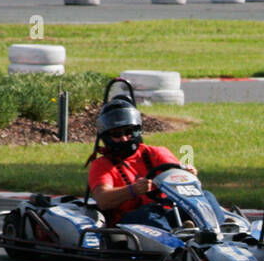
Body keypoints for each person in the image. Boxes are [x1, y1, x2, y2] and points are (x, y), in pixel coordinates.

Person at [86, 98, 212, 229]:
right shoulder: (101, 165)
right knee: (149, 211)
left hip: (170, 212)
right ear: (107, 137)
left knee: (206, 197)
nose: (124, 138)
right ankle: (179, 234)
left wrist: (188, 174)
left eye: (128, 132)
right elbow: (103, 200)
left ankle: (218, 229)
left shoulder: (155, 152)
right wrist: (132, 190)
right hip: (133, 220)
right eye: (117, 134)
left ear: (136, 130)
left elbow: (179, 176)